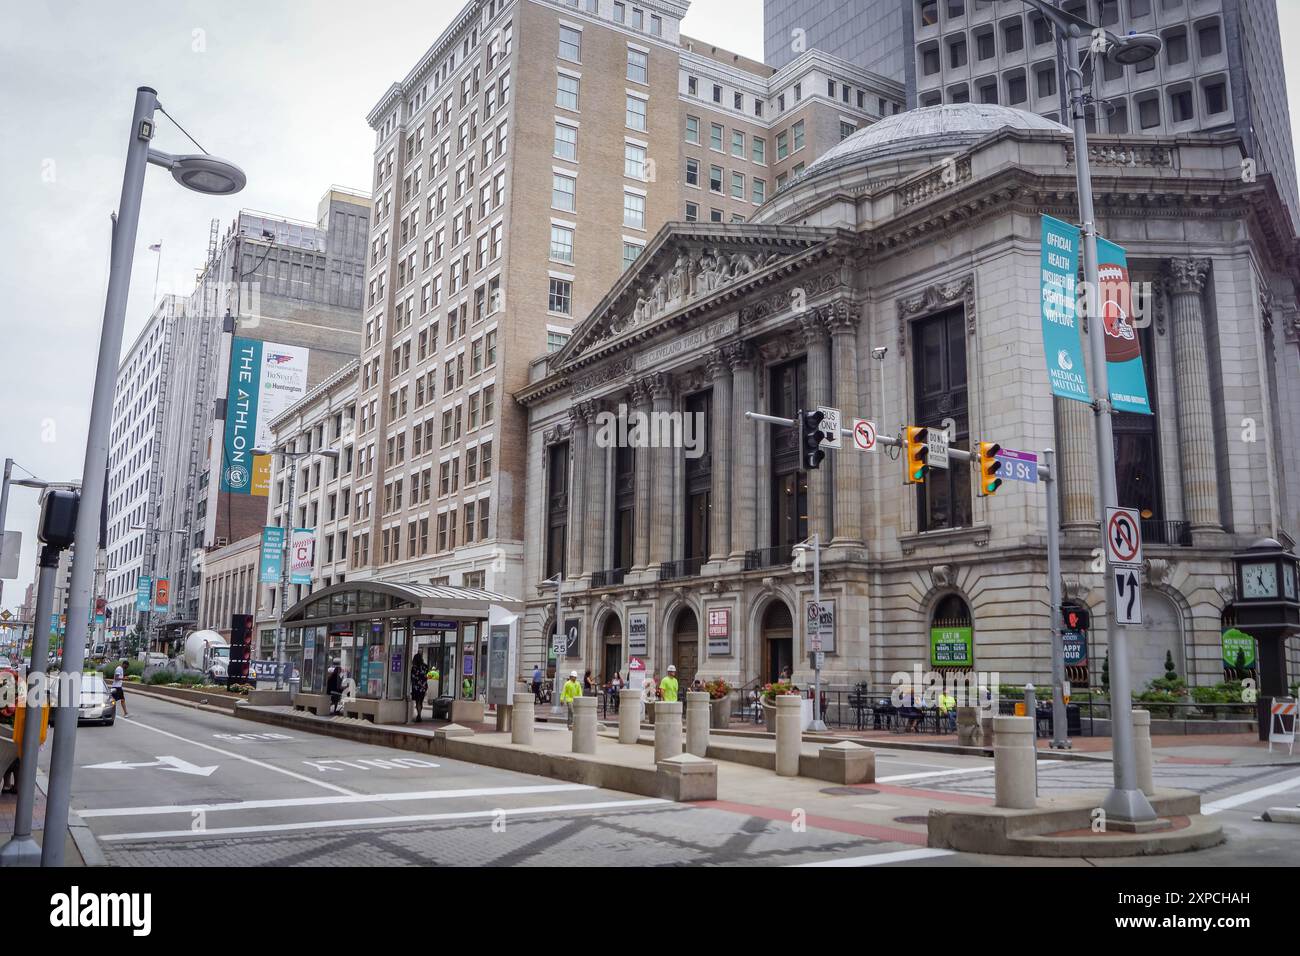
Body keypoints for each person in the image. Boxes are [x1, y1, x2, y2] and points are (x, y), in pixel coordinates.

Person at [410, 653, 429, 722]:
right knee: (420, 701)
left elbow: (412, 677)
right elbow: (426, 674)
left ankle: (419, 714)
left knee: (417, 701)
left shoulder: (414, 668)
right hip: (423, 687)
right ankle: (419, 713)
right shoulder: (425, 666)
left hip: (416, 687)